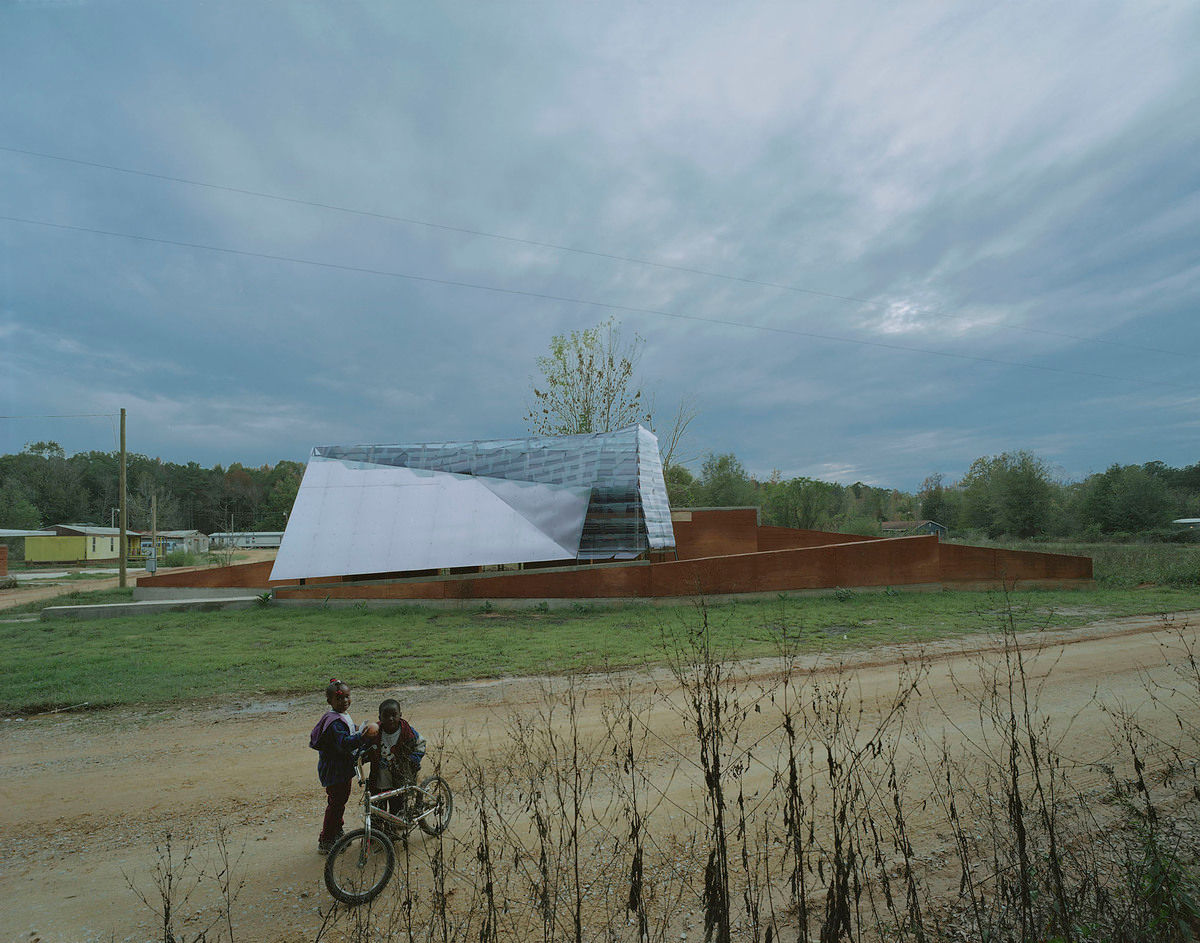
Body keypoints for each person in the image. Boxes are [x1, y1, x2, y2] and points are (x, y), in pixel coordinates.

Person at [309, 678, 378, 854]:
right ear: (330, 701)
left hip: (339, 768)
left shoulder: (338, 716)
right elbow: (345, 742)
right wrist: (362, 736)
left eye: (347, 697)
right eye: (339, 698)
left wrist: (358, 728)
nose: (345, 701)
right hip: (335, 771)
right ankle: (326, 840)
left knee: (338, 802)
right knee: (336, 804)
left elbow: (348, 730)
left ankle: (336, 832)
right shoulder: (334, 722)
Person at [367, 698, 427, 822]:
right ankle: (377, 834)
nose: (390, 719)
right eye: (386, 716)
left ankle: (394, 831)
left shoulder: (407, 732)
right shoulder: (375, 732)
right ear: (380, 717)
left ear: (400, 715)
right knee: (377, 808)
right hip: (380, 778)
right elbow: (366, 747)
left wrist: (411, 761)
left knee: (397, 808)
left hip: (399, 778)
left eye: (394, 715)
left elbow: (421, 744)